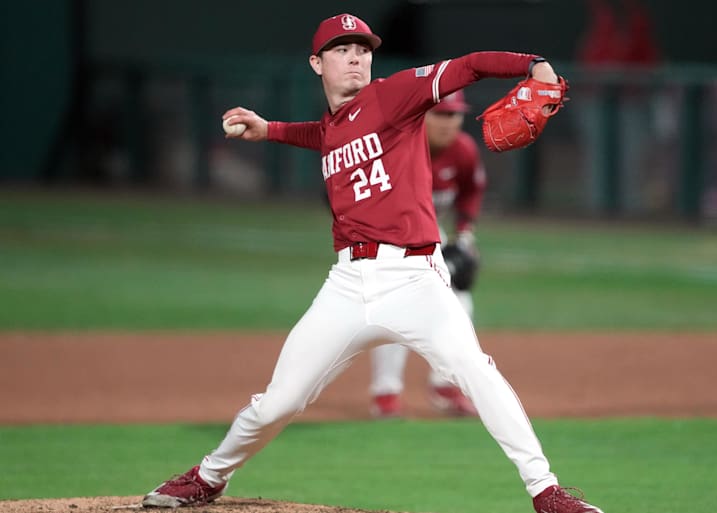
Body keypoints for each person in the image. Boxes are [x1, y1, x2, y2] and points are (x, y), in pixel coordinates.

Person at [142, 13, 603, 513]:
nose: (356, 57)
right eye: (342, 50)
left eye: (362, 49)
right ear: (317, 64)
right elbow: (326, 135)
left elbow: (469, 65)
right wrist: (270, 129)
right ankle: (209, 477)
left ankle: (546, 491)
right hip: (345, 285)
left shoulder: (394, 96)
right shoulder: (334, 125)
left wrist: (534, 65)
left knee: (476, 371)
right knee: (280, 401)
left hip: (414, 279)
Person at [369, 89, 484, 418]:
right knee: (396, 311)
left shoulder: (463, 150)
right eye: (441, 114)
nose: (449, 122)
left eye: (454, 114)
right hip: (384, 237)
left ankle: (446, 386)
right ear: (422, 117)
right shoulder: (396, 149)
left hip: (429, 236)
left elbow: (472, 190)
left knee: (460, 302)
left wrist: (464, 233)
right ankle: (386, 394)